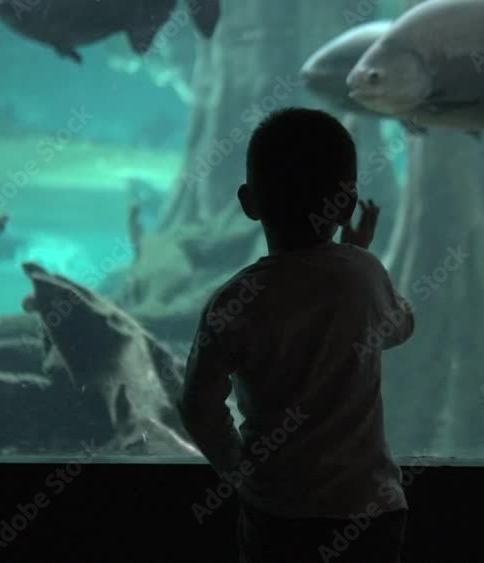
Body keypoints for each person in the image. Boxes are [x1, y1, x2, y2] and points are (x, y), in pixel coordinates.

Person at [176, 107, 415, 563]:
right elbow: (400, 327)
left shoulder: (235, 300)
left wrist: (240, 468)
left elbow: (197, 405)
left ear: (248, 202)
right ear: (346, 205)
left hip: (279, 513)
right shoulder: (362, 276)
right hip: (369, 510)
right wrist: (357, 256)